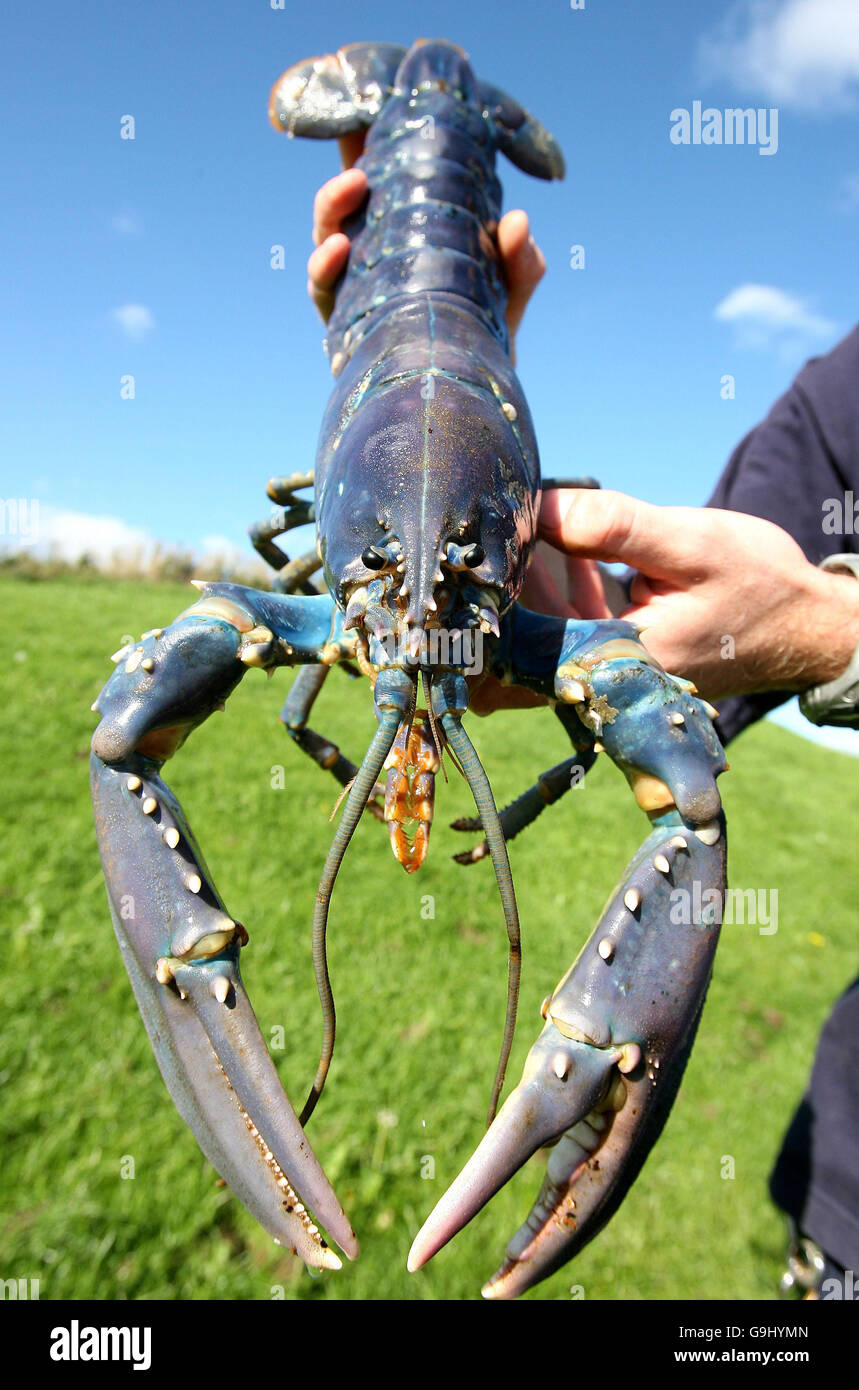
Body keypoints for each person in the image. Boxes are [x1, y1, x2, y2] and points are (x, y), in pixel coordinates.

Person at [307, 152, 859, 1298]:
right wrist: (435, 365)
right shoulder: (838, 395)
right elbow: (690, 630)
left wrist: (834, 628)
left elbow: (783, 614)